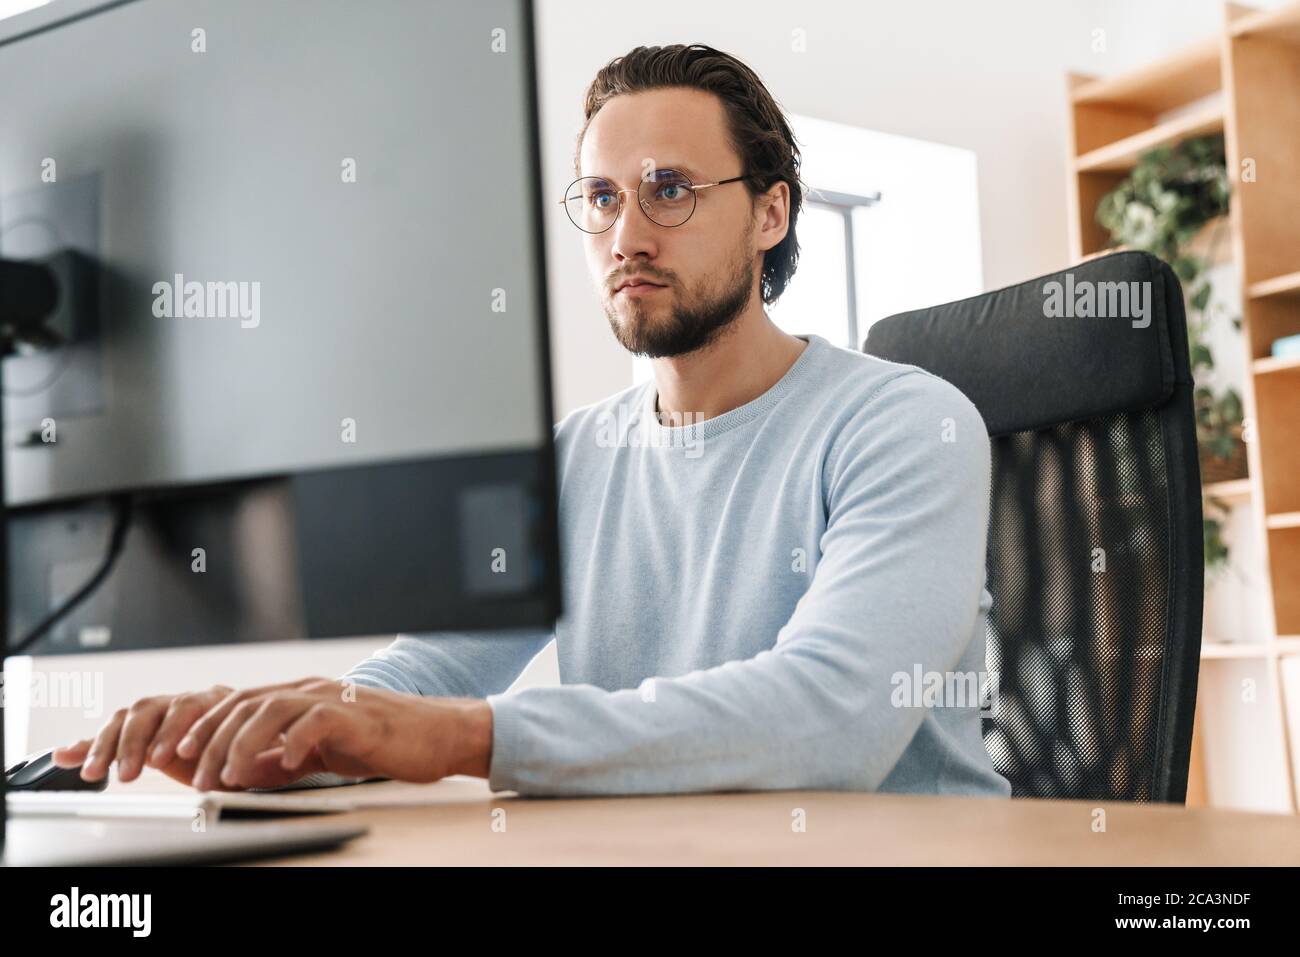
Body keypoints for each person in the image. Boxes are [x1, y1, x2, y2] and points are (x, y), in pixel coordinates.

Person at [54, 44, 1010, 799]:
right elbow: (429, 669)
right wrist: (298, 724)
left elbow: (832, 717)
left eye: (668, 190)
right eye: (601, 199)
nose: (626, 236)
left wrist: (462, 737)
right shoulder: (570, 459)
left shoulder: (904, 425)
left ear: (770, 214)